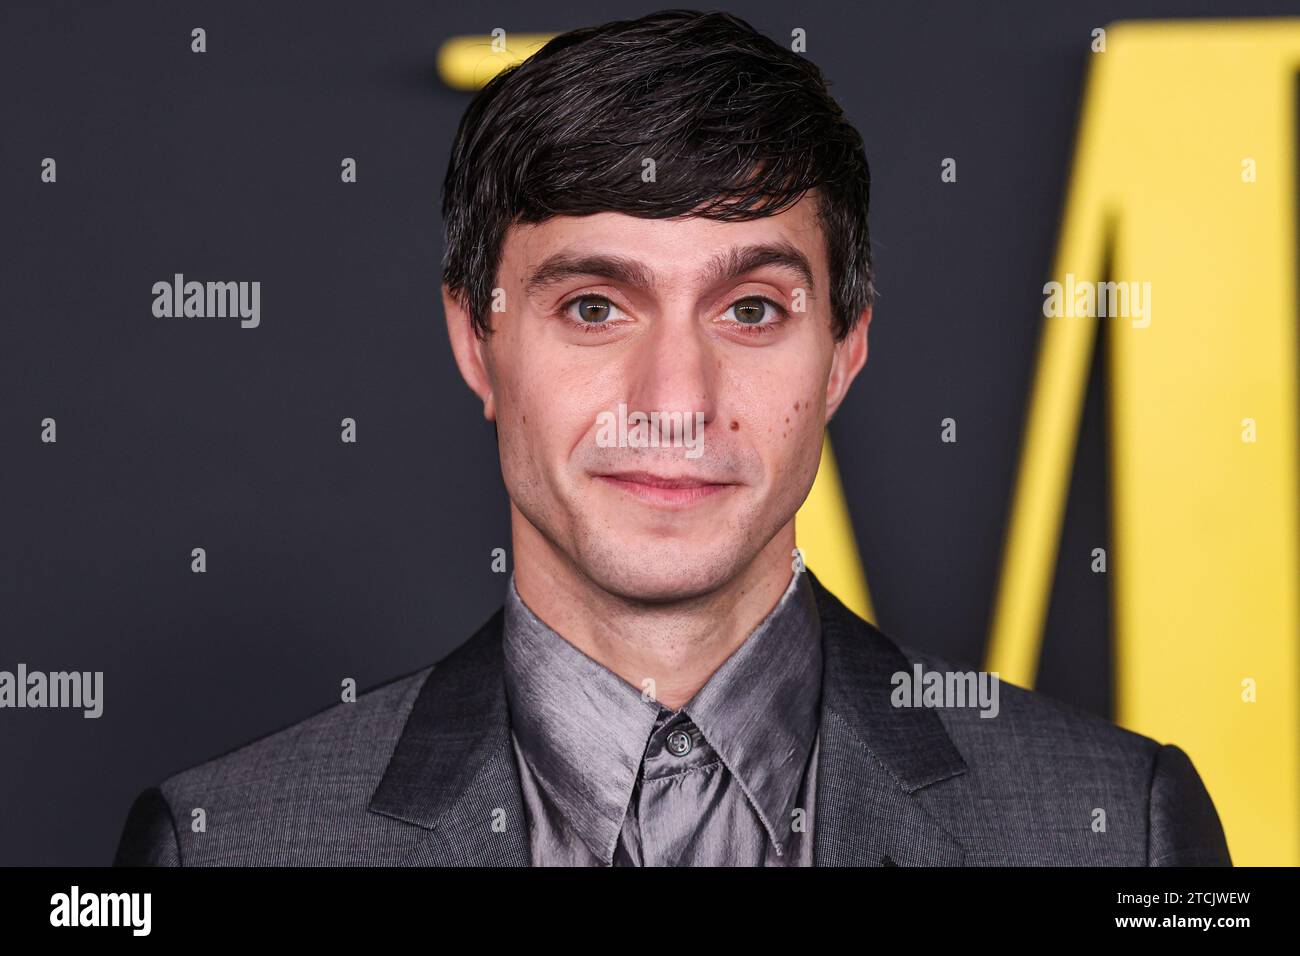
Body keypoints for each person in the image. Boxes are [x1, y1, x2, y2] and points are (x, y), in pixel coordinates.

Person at [114, 9, 1230, 867]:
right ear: (474, 338)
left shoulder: (1113, 830)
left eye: (750, 309)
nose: (673, 398)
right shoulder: (225, 842)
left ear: (843, 351)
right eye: (594, 305)